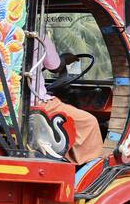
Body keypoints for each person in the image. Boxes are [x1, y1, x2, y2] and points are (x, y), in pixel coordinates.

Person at [28, 34, 103, 166]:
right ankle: (82, 170)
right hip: (38, 102)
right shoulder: (38, 36)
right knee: (90, 122)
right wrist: (64, 59)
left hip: (13, 101)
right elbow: (55, 66)